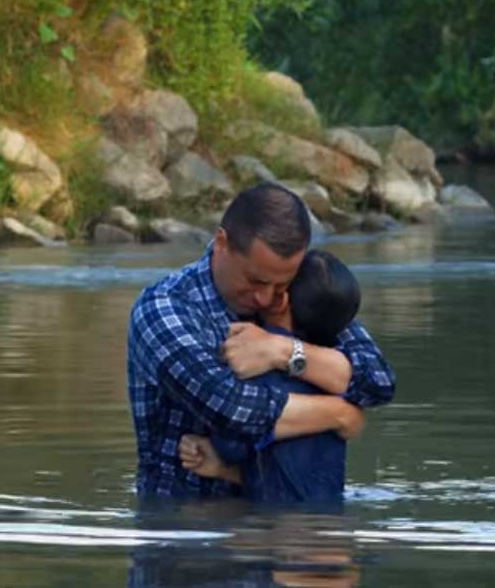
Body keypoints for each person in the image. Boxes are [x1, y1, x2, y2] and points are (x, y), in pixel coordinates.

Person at [127, 183, 395, 500]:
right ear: (221, 243)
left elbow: (378, 381)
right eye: (255, 281)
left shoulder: (298, 292)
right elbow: (233, 410)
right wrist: (341, 413)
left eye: (280, 284)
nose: (266, 297)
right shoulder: (164, 309)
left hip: (287, 510)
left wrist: (283, 351)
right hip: (184, 522)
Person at [178, 249, 362, 504]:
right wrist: (224, 471)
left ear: (279, 300)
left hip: (280, 528)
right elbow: (300, 476)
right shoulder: (335, 374)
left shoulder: (259, 366)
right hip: (329, 515)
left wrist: (215, 452)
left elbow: (233, 443)